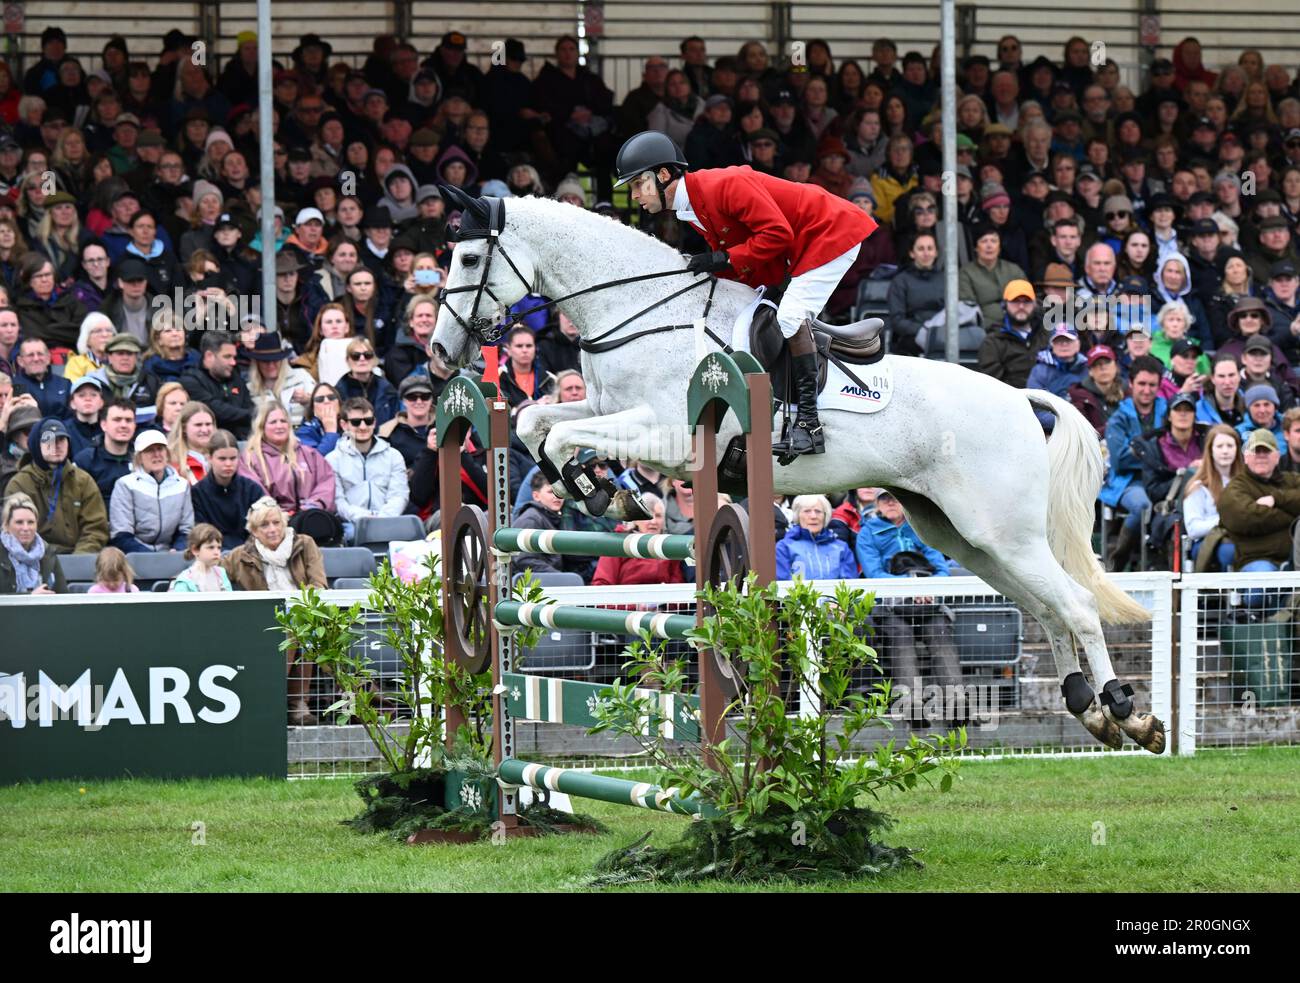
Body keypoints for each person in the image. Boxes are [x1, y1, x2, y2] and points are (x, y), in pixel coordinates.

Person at [612, 130, 878, 459]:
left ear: (663, 175)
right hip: (797, 248)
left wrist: (723, 259)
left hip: (829, 231)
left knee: (791, 316)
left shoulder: (723, 184)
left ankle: (809, 425)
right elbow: (741, 260)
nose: (635, 194)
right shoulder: (690, 207)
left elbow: (776, 234)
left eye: (638, 184)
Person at [854, 490, 962, 711]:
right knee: (900, 634)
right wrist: (911, 586)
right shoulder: (867, 533)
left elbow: (941, 569)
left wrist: (927, 589)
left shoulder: (920, 529)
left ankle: (957, 702)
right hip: (891, 606)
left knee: (939, 631)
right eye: (885, 498)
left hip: (926, 602)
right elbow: (875, 574)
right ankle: (911, 702)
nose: (891, 502)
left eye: (896, 498)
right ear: (877, 504)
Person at [223, 496, 327, 724]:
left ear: (284, 522)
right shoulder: (240, 555)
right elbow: (214, 573)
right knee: (288, 631)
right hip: (262, 620)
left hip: (305, 613)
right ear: (253, 531)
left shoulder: (305, 543)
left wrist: (297, 605)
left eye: (276, 522)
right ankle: (281, 702)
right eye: (264, 525)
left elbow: (319, 584)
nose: (272, 529)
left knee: (299, 629)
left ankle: (295, 703)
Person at [1100, 355, 1168, 570]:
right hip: (1129, 481)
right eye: (1142, 384)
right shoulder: (1118, 418)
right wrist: (1154, 454)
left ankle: (1162, 565)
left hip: (1163, 477)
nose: (1147, 390)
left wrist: (1139, 450)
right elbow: (1119, 461)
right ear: (1131, 383)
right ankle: (1116, 560)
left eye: (1152, 385)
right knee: (1143, 506)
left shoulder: (1169, 411)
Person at [7, 417, 109, 554]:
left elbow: (95, 528)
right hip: (34, 559)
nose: (56, 445)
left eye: (61, 440)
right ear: (36, 444)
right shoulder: (19, 484)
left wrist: (78, 560)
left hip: (78, 558)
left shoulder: (83, 481)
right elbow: (15, 530)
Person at [1218, 429, 1300, 579]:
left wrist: (1277, 499)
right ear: (1246, 457)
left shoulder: (1292, 480)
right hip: (1258, 560)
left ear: (1277, 456)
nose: (1261, 456)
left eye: (1266, 451)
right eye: (1256, 451)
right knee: (1261, 587)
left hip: (1296, 559)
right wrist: (1295, 518)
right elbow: (1247, 518)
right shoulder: (1235, 487)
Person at [326, 397, 409, 535]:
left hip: (389, 521)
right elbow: (338, 501)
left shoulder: (394, 456)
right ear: (344, 425)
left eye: (368, 421)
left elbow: (399, 495)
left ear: (374, 422)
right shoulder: (332, 460)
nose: (363, 427)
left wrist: (383, 519)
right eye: (356, 422)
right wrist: (363, 518)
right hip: (351, 524)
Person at [238, 403, 335, 519]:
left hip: (311, 517)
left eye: (283, 421)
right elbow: (256, 493)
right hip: (273, 522)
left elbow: (326, 482)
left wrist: (314, 505)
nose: (279, 426)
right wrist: (280, 515)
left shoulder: (308, 453)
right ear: (262, 427)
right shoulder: (250, 459)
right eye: (273, 422)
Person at [109, 429, 193, 553]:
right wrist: (151, 558)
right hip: (134, 554)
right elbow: (121, 534)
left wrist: (178, 549)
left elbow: (186, 529)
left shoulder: (182, 485)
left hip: (170, 553)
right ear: (139, 457)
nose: (156, 455)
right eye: (149, 450)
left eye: (160, 449)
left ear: (167, 453)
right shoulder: (125, 485)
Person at [591, 494, 687, 586]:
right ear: (636, 520)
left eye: (658, 516)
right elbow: (601, 584)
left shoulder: (669, 545)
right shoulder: (616, 543)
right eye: (647, 516)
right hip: (626, 600)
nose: (653, 522)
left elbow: (677, 584)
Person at [508, 469, 589, 579]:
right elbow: (524, 560)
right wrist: (562, 578)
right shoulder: (530, 519)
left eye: (561, 492)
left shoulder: (556, 517)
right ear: (536, 496)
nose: (558, 496)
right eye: (551, 492)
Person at [191, 429, 265, 549]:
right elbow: (201, 532)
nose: (228, 464)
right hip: (215, 554)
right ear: (210, 458)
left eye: (233, 458)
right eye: (222, 459)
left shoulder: (252, 489)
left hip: (250, 552)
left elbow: (261, 526)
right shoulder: (198, 493)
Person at [1183, 424, 1242, 572]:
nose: (1225, 451)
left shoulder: (1244, 482)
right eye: (1219, 446)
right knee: (1231, 552)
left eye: (1230, 445)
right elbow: (1193, 529)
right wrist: (1225, 521)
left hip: (1239, 538)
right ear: (1210, 450)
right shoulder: (1197, 486)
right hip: (1208, 542)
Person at [180, 332, 255, 440]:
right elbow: (215, 410)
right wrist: (249, 415)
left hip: (242, 440)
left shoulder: (236, 378)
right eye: (227, 357)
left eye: (234, 357)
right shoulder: (191, 380)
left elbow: (248, 405)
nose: (233, 362)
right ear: (209, 356)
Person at [976, 279, 1047, 387]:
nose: (1021, 306)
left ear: (1035, 304)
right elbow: (991, 386)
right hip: (1011, 401)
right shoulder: (992, 343)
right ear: (1004, 305)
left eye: (1026, 301)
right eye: (1015, 301)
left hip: (1050, 399)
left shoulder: (1047, 335)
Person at [775, 493, 858, 580]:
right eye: (807, 511)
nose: (813, 516)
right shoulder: (784, 547)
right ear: (798, 516)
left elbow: (849, 584)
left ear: (825, 516)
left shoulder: (841, 548)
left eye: (818, 511)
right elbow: (783, 583)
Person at [245, 331, 316, 426]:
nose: (271, 365)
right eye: (265, 361)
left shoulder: (301, 376)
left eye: (275, 360)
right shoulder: (249, 388)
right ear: (257, 363)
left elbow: (323, 405)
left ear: (282, 360)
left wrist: (308, 400)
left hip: (303, 432)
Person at [0, 492, 66, 594]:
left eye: (30, 522)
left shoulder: (48, 553)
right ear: (6, 526)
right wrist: (30, 598)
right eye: (19, 522)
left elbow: (64, 596)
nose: (26, 528)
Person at [334, 336, 398, 427]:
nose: (362, 359)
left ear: (373, 359)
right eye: (356, 356)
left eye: (367, 355)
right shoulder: (338, 391)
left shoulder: (388, 389)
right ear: (347, 360)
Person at [380, 374, 435, 469]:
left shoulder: (445, 426)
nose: (419, 401)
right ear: (403, 401)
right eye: (412, 397)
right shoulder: (388, 433)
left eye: (425, 396)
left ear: (431, 399)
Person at [170, 522, 233, 592]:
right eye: (211, 547)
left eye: (219, 547)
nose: (217, 552)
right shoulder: (184, 581)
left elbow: (230, 601)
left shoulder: (221, 573)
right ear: (195, 550)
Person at [1196, 353, 1248, 428]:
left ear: (1239, 376)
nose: (1227, 382)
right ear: (1213, 379)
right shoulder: (1198, 410)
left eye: (1231, 375)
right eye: (1221, 376)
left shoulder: (1250, 406)